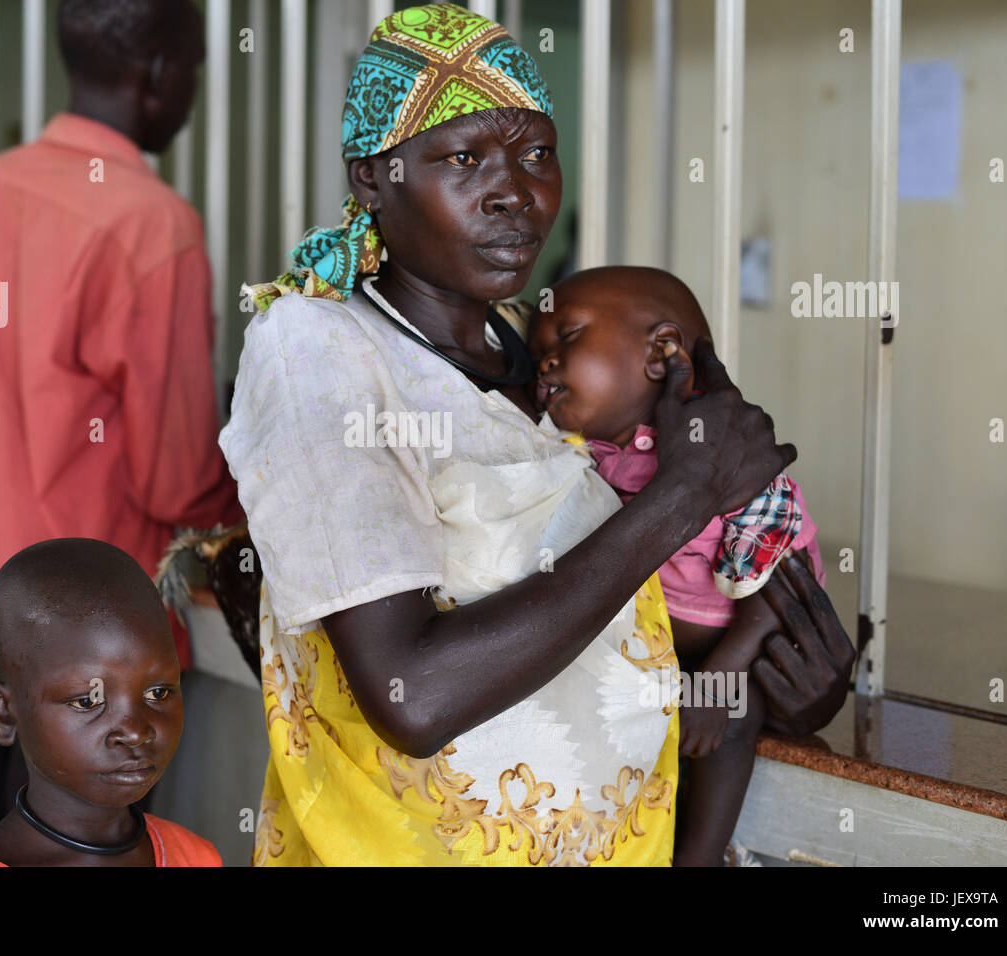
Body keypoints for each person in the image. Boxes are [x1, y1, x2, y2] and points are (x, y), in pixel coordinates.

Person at [219, 3, 853, 867]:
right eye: (463, 157)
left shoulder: (556, 358)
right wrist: (683, 495)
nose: (514, 189)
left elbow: (672, 604)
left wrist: (789, 690)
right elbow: (413, 697)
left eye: (536, 154)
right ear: (373, 177)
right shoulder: (320, 348)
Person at [0, 0, 242, 866]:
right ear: (163, 71)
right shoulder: (151, 222)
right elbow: (177, 481)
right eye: (197, 69)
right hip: (87, 669)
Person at [529, 266, 829, 865]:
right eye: (538, 352)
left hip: (734, 650)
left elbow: (784, 585)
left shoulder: (728, 453)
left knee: (737, 711)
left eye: (567, 338)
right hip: (650, 653)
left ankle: (698, 857)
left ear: (661, 351)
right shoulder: (586, 461)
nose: (545, 363)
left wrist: (720, 676)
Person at [0, 538, 221, 867]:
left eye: (158, 693)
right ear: (2, 711)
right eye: (87, 701)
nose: (135, 732)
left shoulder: (195, 857)